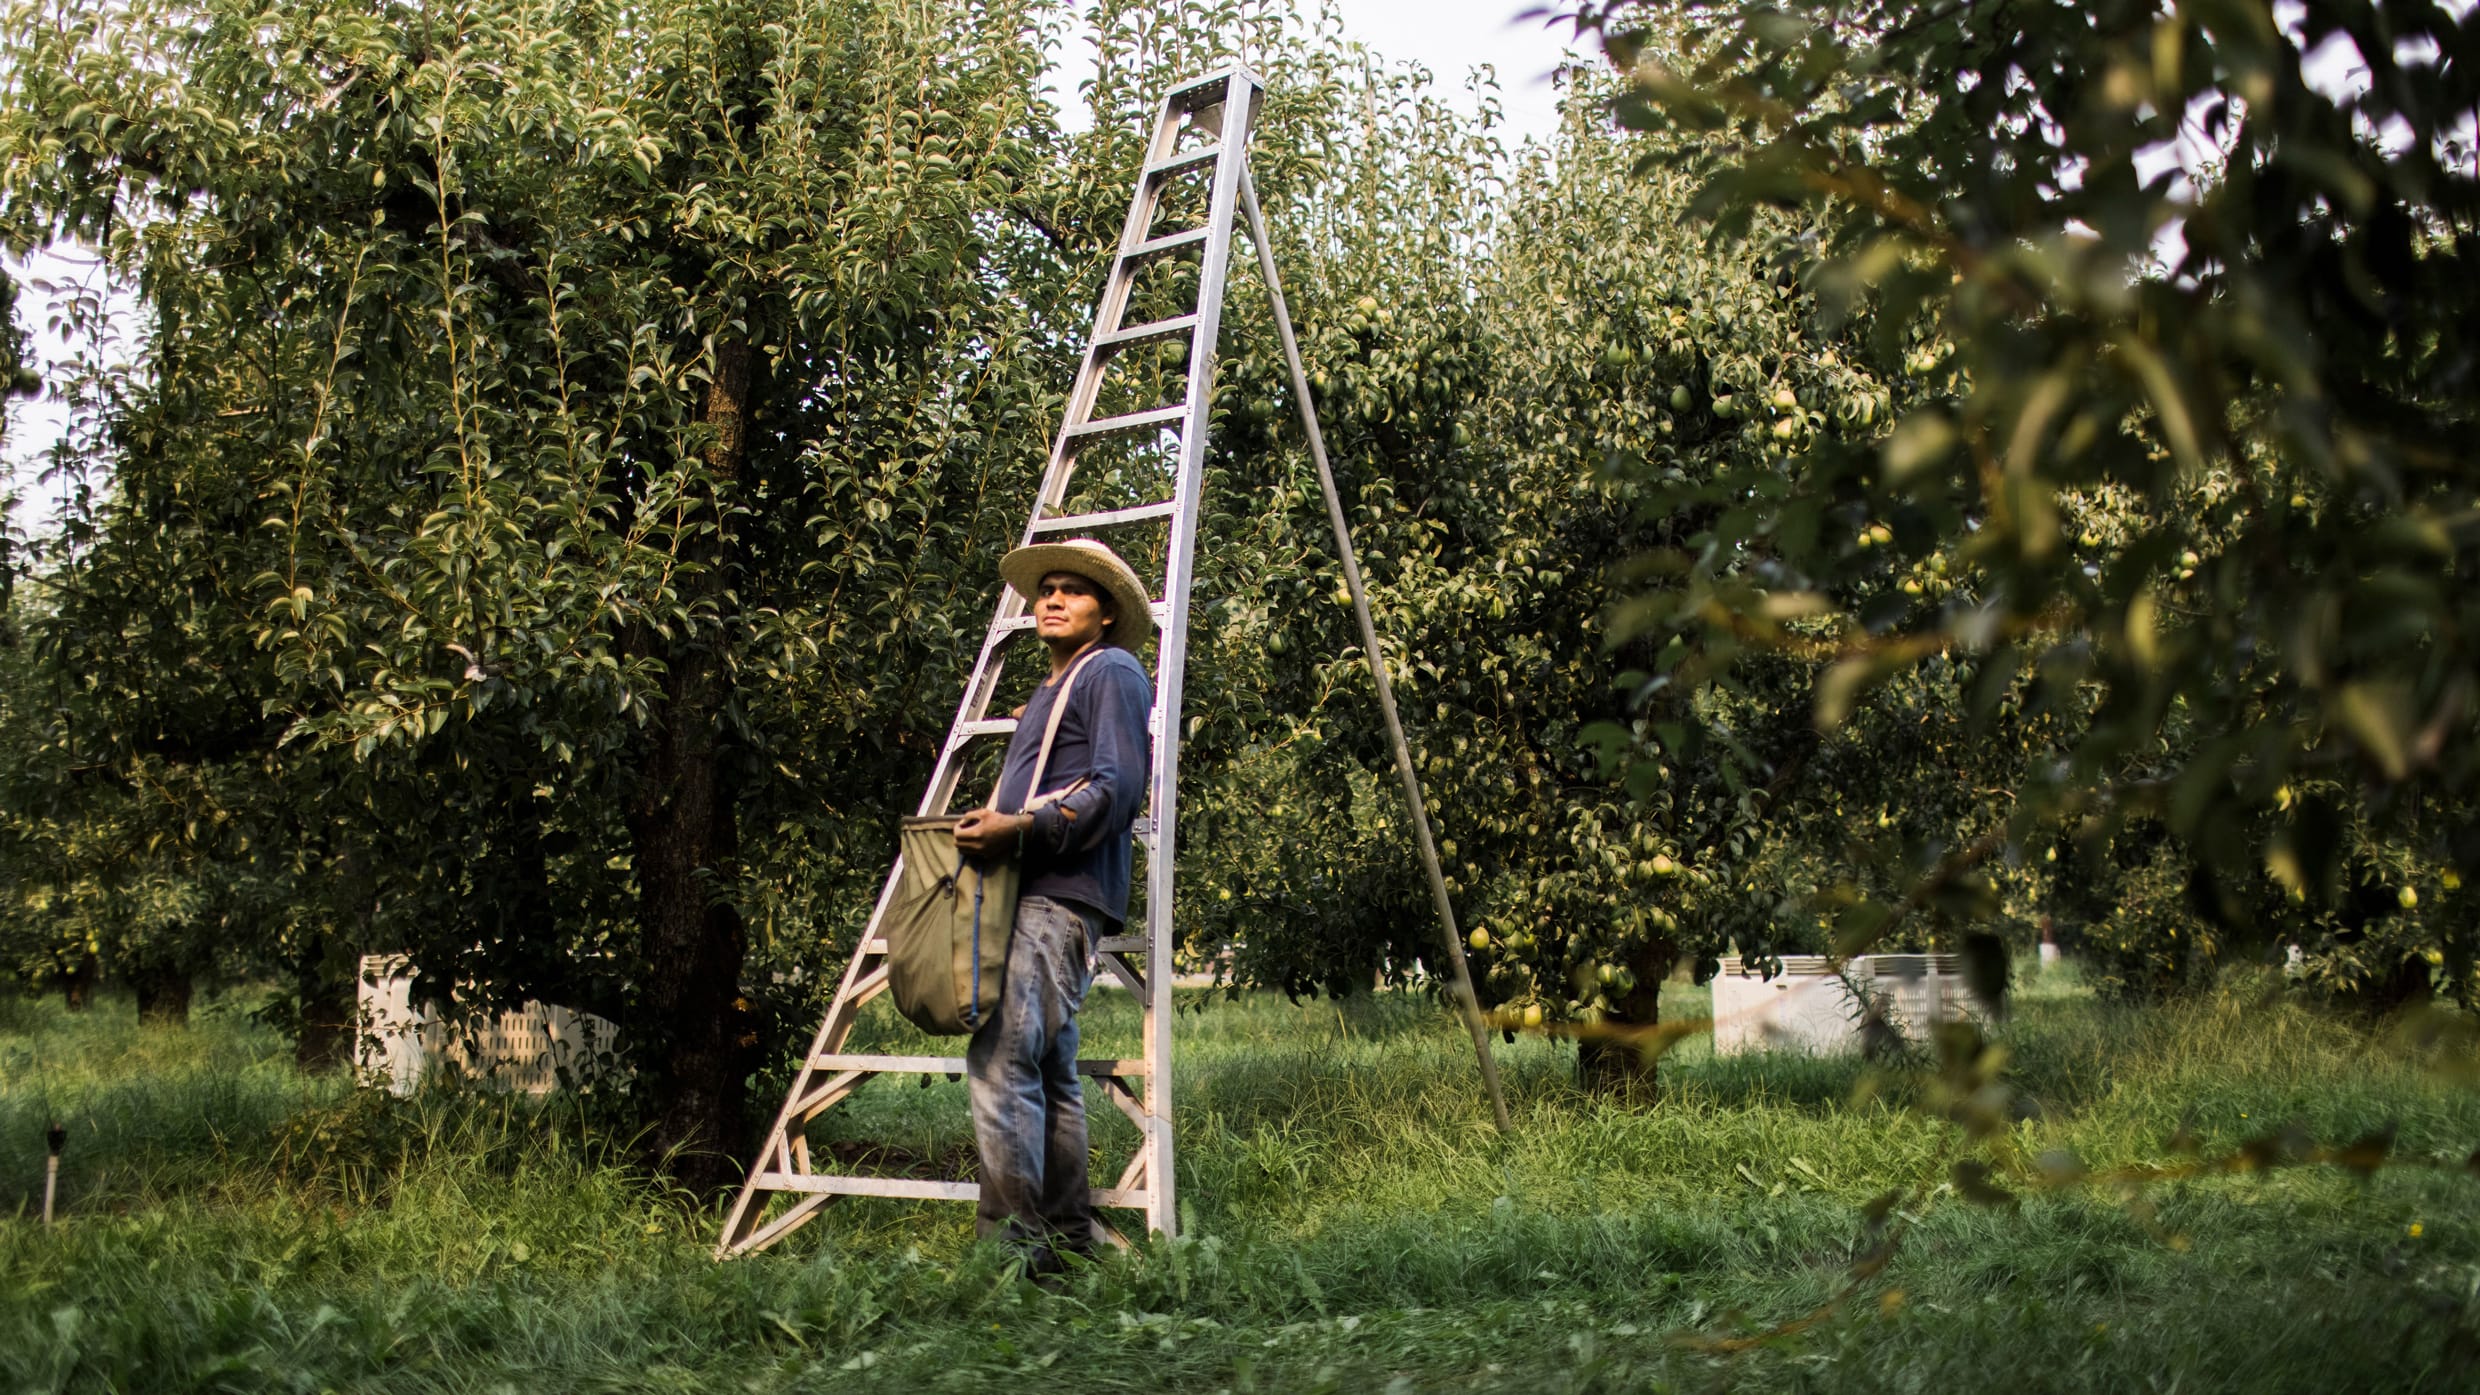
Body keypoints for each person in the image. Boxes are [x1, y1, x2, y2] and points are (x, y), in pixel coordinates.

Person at [952, 537, 1153, 1279]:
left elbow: (1115, 787)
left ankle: (1011, 1260)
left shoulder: (1114, 670)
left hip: (1056, 896)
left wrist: (1023, 824)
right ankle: (1063, 1249)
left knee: (999, 1057)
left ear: (1105, 615)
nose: (1053, 598)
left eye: (1073, 590)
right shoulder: (1054, 688)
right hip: (1036, 894)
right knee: (1048, 1070)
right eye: (1046, 590)